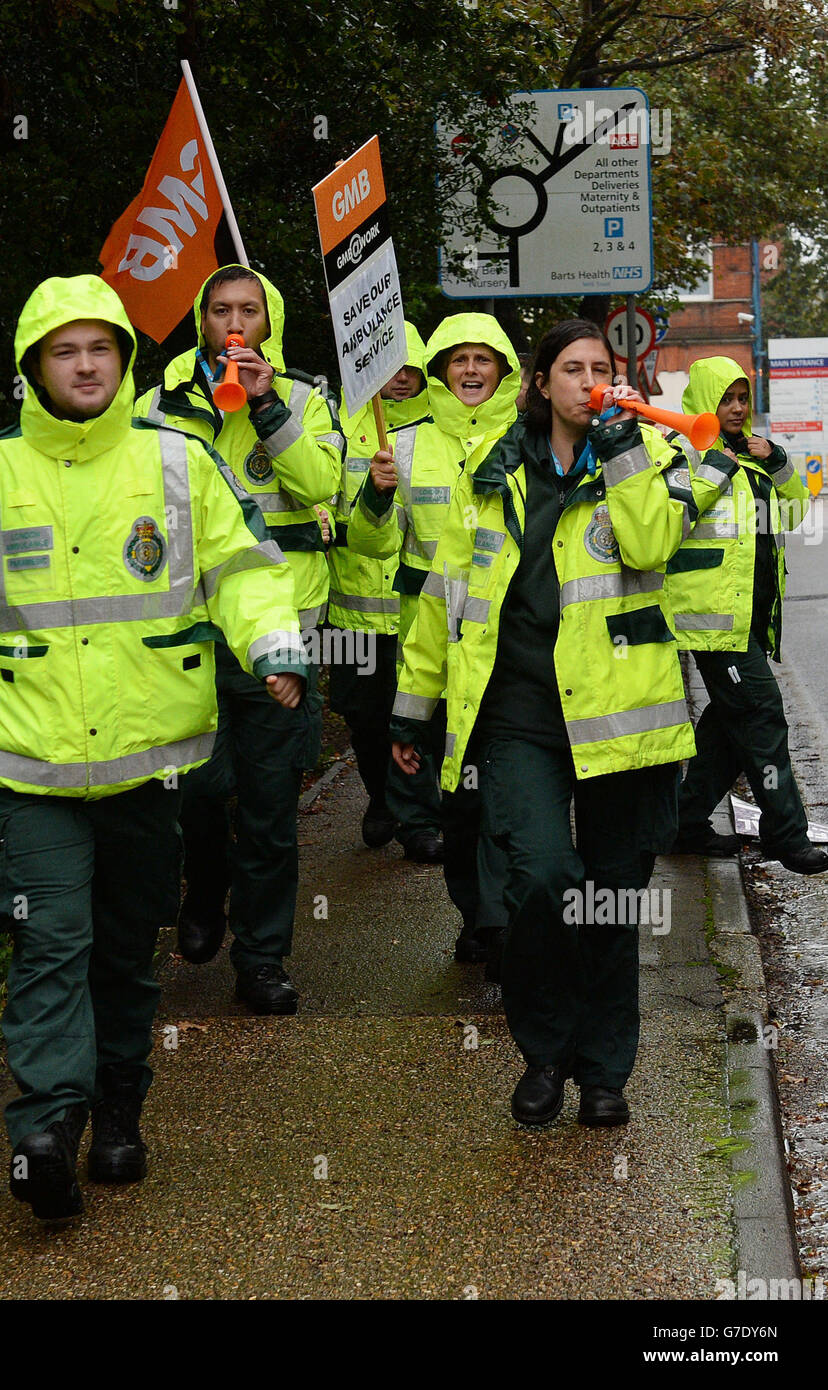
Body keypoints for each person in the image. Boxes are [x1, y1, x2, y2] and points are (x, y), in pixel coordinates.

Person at [0, 274, 307, 1222]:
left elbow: (243, 569)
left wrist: (272, 643)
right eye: (64, 351)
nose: (86, 364)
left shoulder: (177, 462)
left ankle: (117, 1110)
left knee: (121, 953)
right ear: (33, 368)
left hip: (150, 763)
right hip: (30, 772)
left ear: (125, 359)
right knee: (49, 944)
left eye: (100, 348)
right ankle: (46, 1132)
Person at [390, 319, 733, 1126]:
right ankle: (546, 1051)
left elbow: (650, 544)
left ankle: (604, 1073)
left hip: (623, 722)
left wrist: (622, 450)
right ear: (540, 383)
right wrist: (413, 710)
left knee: (611, 901)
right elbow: (445, 595)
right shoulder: (492, 469)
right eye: (572, 370)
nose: (589, 382)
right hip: (519, 719)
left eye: (601, 369)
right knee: (542, 882)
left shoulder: (646, 459)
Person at [136, 265, 344, 1013]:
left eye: (248, 311)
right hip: (189, 634)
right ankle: (208, 882)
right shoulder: (157, 403)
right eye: (220, 309)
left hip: (279, 637)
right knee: (199, 789)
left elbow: (323, 484)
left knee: (267, 807)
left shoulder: (303, 398)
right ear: (201, 320)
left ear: (269, 323)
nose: (234, 322)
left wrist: (265, 407)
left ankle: (261, 958)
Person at [348, 314, 520, 966]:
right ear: (443, 370)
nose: (472, 371)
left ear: (503, 369)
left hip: (513, 654)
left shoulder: (530, 441)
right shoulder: (407, 445)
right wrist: (373, 494)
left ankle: (506, 928)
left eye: (485, 359)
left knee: (515, 799)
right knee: (462, 803)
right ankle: (476, 916)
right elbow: (369, 545)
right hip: (435, 645)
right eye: (460, 360)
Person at [668, 357, 826, 873]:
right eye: (726, 399)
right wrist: (716, 462)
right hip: (711, 619)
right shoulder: (684, 452)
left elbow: (795, 513)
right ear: (705, 402)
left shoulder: (755, 455)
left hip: (749, 617)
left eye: (743, 398)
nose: (737, 408)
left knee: (727, 728)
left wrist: (778, 459)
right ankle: (787, 836)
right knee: (761, 715)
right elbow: (669, 521)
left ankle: (684, 823)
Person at [326, 321, 437, 850]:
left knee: (413, 714)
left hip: (414, 608)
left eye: (408, 368)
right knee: (362, 714)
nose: (398, 380)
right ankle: (381, 795)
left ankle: (418, 821)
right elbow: (318, 488)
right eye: (387, 369)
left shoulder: (438, 428)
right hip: (351, 609)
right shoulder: (343, 423)